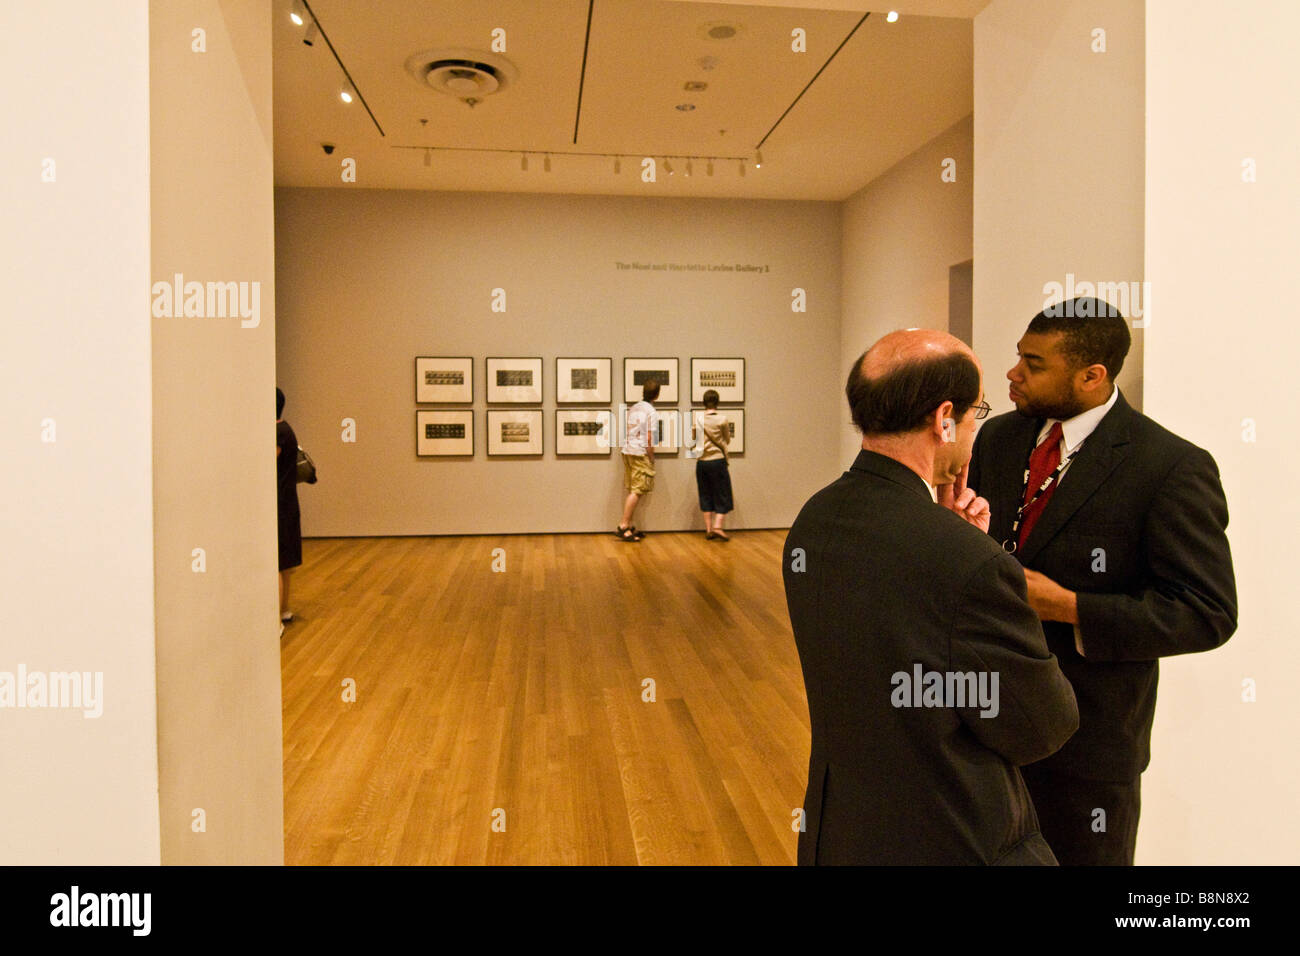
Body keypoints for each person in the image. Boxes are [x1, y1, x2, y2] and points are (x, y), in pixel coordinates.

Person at [783, 329, 1079, 865]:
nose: (974, 428)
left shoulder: (814, 520)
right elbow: (1041, 726)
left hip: (844, 830)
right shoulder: (967, 560)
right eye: (976, 413)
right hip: (952, 836)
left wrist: (948, 539)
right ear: (945, 418)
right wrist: (965, 550)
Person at [968, 297, 1237, 866]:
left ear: (1093, 376)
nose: (1013, 373)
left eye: (1034, 364)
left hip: (1088, 746)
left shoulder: (1170, 466)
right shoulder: (997, 438)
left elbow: (1206, 611)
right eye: (1019, 356)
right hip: (985, 728)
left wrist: (1068, 606)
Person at [616, 379, 659, 542]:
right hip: (640, 452)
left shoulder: (634, 407)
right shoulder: (651, 411)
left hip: (627, 451)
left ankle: (629, 526)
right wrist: (651, 456)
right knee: (638, 490)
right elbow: (649, 437)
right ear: (656, 395)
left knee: (633, 489)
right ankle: (623, 525)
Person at [276, 387, 303, 628]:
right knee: (284, 563)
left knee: (276, 562)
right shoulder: (287, 428)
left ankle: (275, 620)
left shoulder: (277, 433)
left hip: (278, 505)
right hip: (288, 502)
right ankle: (284, 610)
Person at [694, 389, 734, 540]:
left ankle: (709, 529)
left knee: (705, 493)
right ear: (717, 402)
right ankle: (718, 526)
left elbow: (694, 441)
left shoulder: (697, 419)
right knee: (722, 493)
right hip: (717, 461)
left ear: (704, 403)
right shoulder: (722, 419)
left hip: (702, 462)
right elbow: (727, 440)